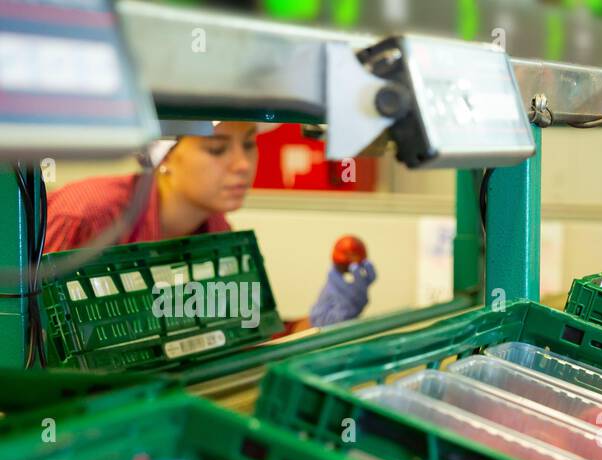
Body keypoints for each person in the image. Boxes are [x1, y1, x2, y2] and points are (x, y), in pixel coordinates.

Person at [45, 121, 374, 324]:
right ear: (166, 158)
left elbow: (245, 341)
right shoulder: (85, 217)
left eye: (248, 144)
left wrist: (322, 322)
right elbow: (24, 343)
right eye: (217, 150)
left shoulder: (217, 231)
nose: (243, 164)